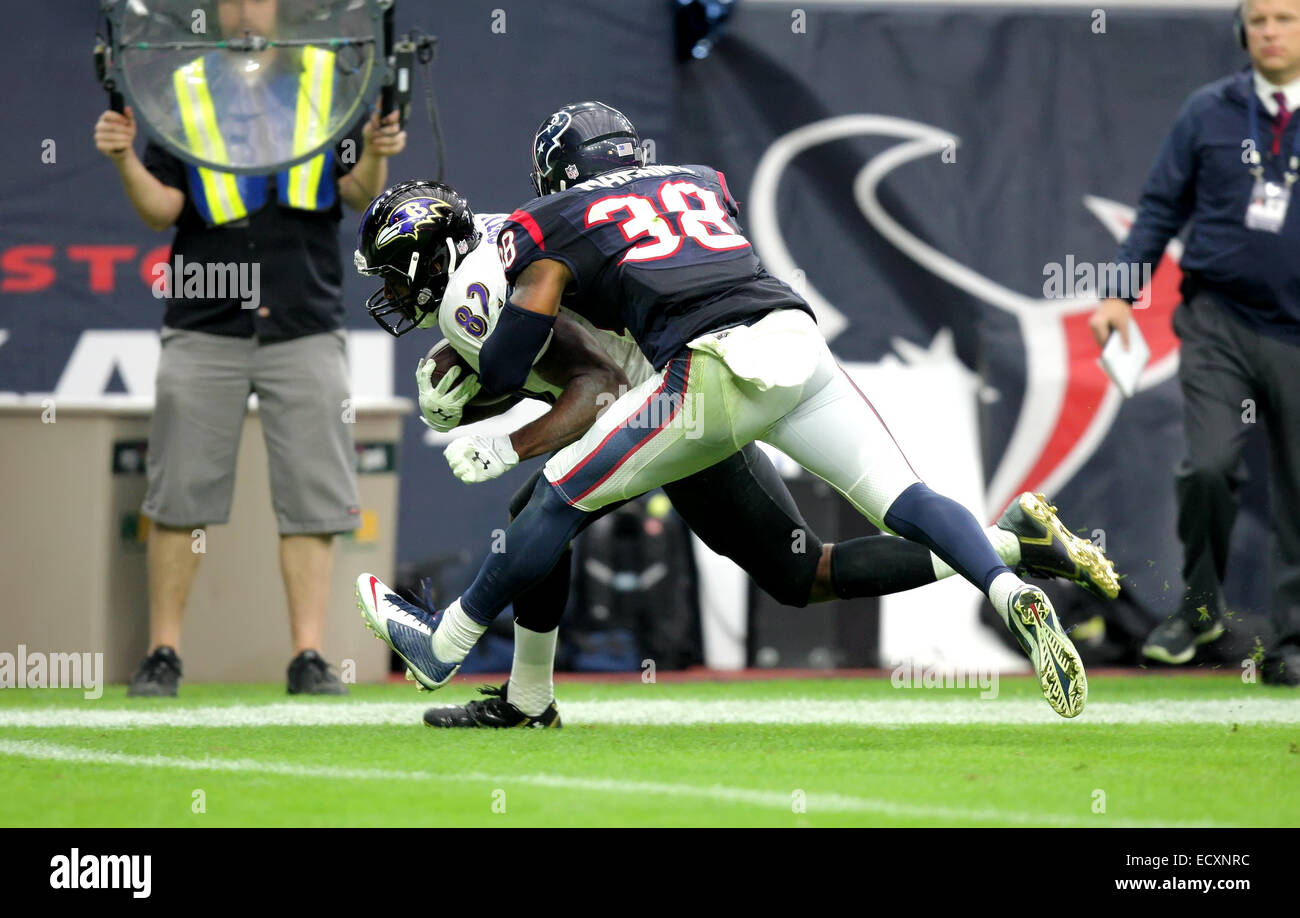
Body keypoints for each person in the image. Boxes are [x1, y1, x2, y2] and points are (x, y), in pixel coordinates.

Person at [357, 102, 1093, 718]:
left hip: (702, 379)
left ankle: (444, 643)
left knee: (550, 501)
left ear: (564, 178)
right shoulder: (697, 178)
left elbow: (546, 361)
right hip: (794, 342)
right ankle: (1006, 577)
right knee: (897, 502)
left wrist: (490, 415)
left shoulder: (549, 222)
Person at [92, 0, 406, 696]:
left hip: (304, 315)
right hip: (205, 319)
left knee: (315, 498)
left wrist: (379, 155)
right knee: (177, 494)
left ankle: (309, 656)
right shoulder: (184, 86)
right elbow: (162, 209)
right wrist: (121, 160)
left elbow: (356, 193)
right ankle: (163, 654)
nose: (245, 9)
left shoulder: (329, 81)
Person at [1090, 0, 1300, 684]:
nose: (1270, 32)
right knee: (1208, 465)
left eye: (1287, 18)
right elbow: (1159, 208)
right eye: (1260, 19)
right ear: (1242, 29)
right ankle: (1202, 607)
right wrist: (1121, 292)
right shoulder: (1208, 110)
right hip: (1220, 320)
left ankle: (1291, 641)